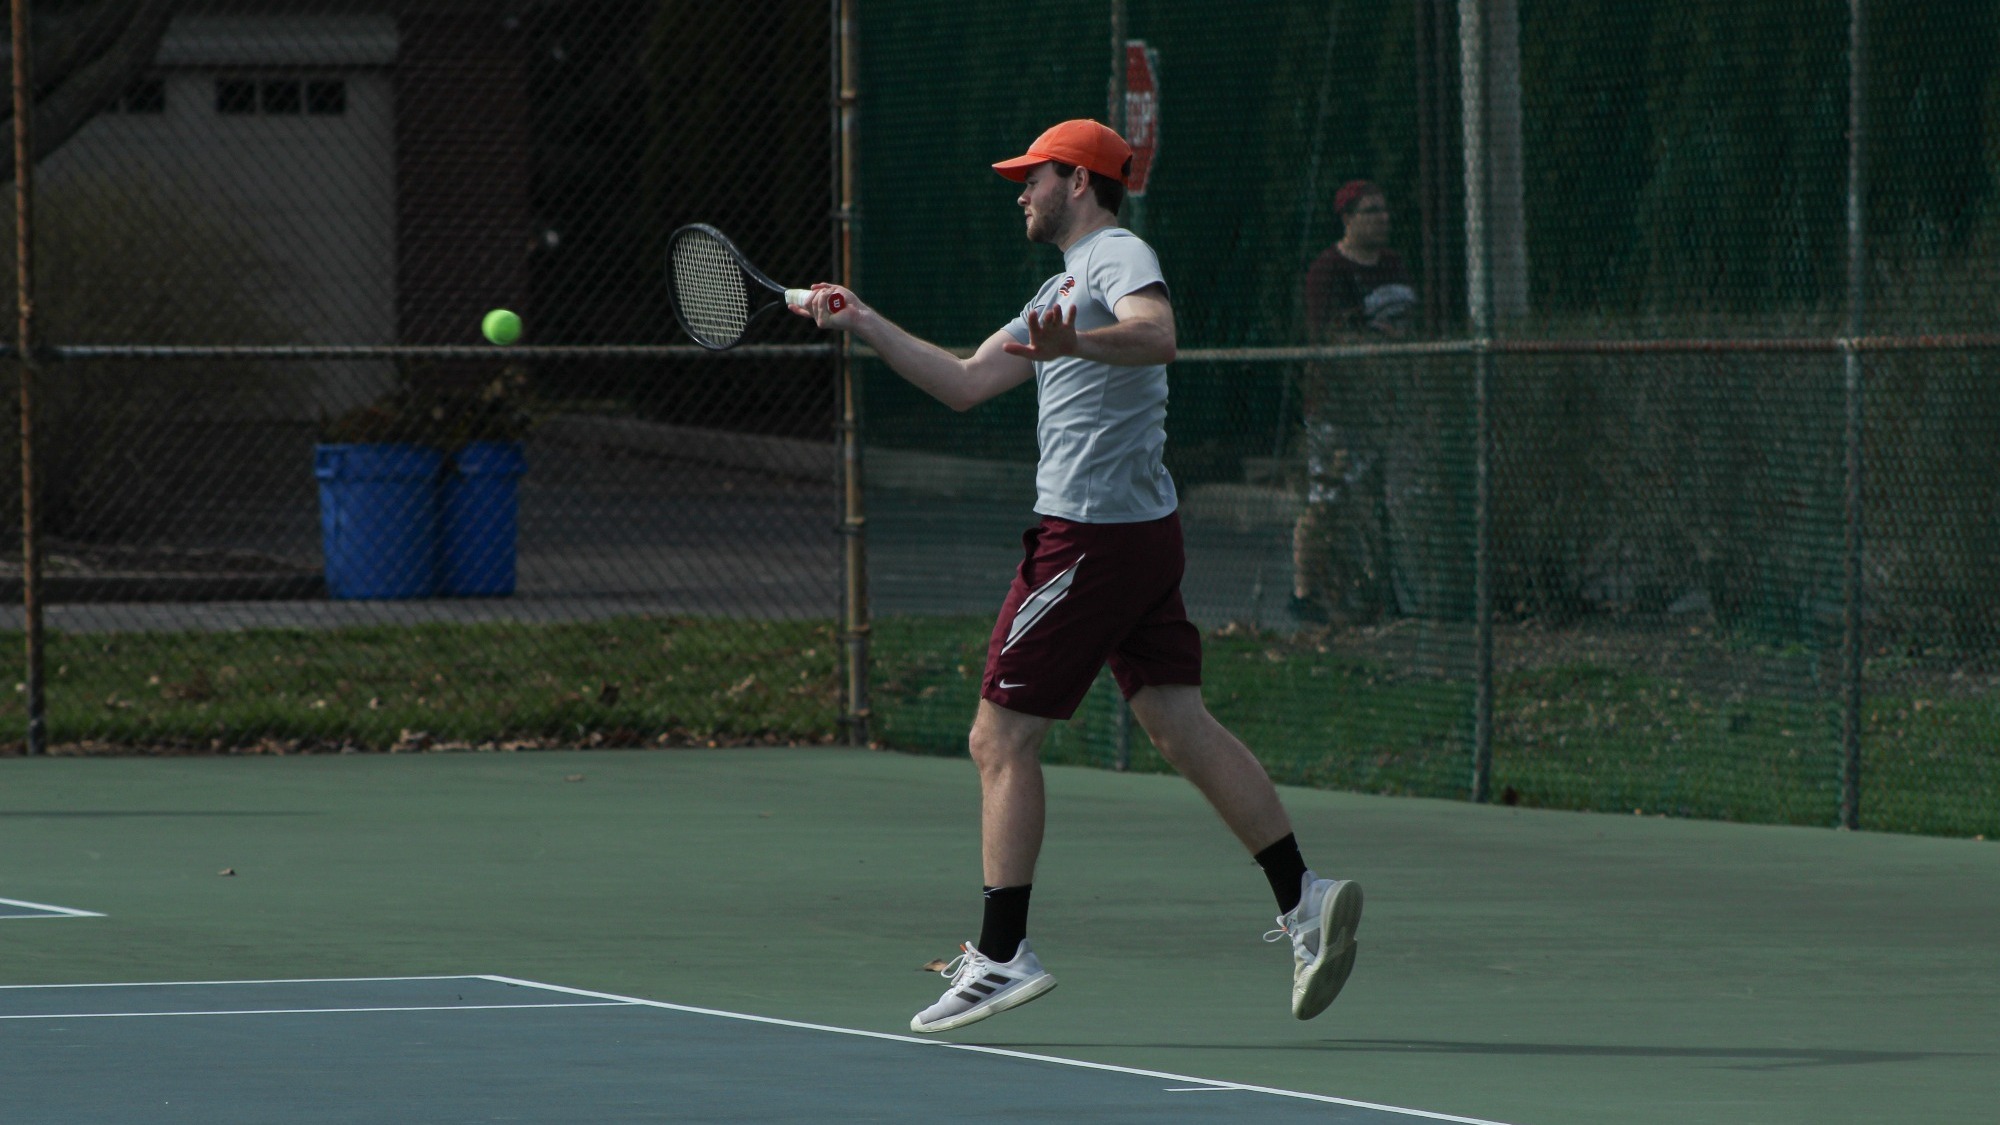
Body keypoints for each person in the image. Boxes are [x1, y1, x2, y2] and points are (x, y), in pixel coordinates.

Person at [791, 120, 1362, 1034]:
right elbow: (966, 380)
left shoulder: (1115, 256)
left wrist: (1078, 346)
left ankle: (1002, 953)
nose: (1021, 191)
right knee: (1178, 722)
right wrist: (860, 320)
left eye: (1034, 177)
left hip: (1091, 537)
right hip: (1140, 534)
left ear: (1080, 182)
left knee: (998, 738)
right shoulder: (1059, 289)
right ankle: (1304, 897)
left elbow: (1157, 334)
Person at [1292, 180, 1417, 624]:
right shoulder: (1329, 270)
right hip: (1339, 407)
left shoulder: (1394, 265)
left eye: (1385, 210)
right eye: (1371, 211)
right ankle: (1305, 590)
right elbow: (1329, 333)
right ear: (1348, 219)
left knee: (1381, 496)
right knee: (1327, 495)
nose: (1382, 218)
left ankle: (1380, 589)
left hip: (1387, 403)